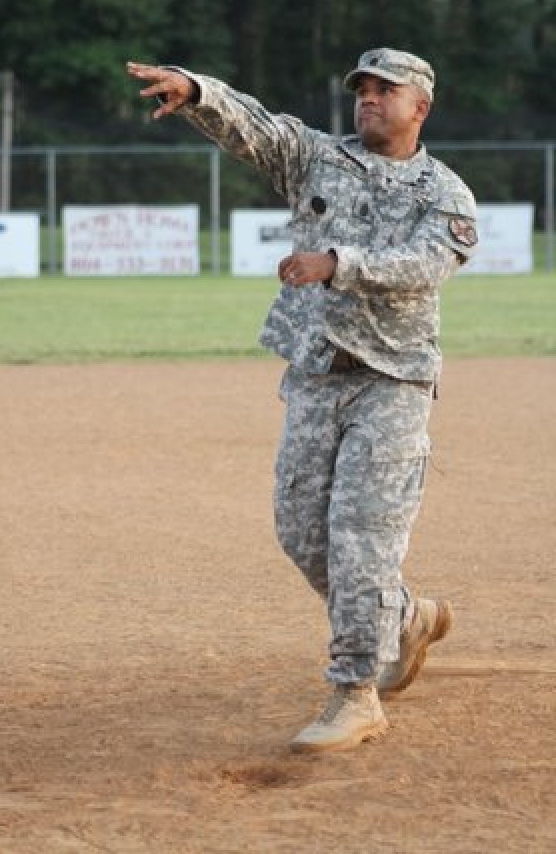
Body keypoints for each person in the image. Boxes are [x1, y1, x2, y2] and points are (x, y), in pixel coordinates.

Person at [127, 48, 478, 753]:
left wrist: (337, 263)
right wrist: (199, 91)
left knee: (360, 541)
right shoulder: (316, 156)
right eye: (364, 89)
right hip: (318, 371)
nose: (370, 98)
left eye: (388, 90)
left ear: (422, 107)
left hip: (393, 381)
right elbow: (254, 127)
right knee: (301, 531)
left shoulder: (445, 194)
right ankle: (404, 617)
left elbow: (424, 268)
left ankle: (355, 692)